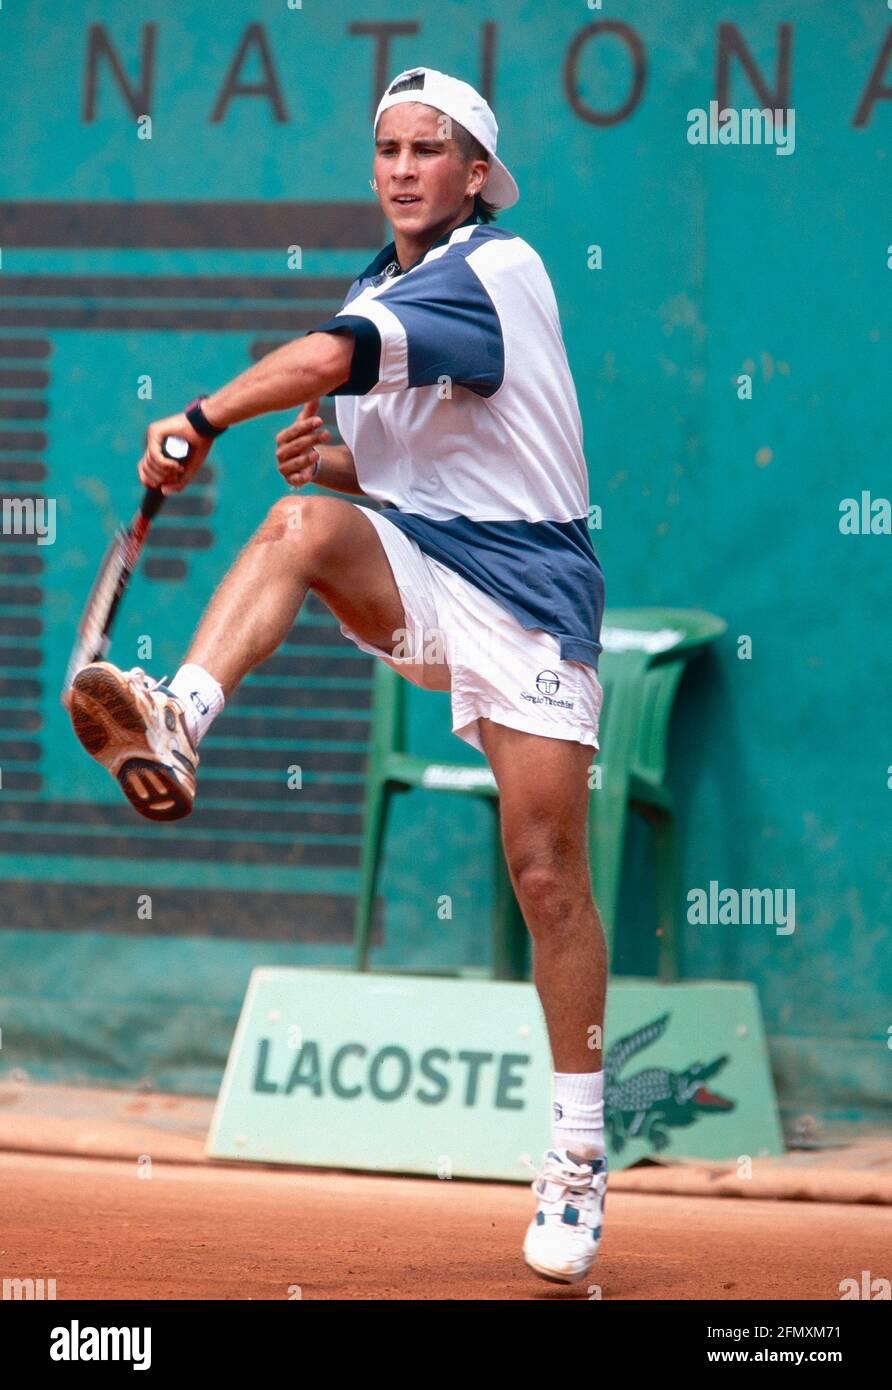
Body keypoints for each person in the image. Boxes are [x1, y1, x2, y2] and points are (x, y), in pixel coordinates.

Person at [67, 66, 609, 1286]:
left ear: (475, 173)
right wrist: (344, 467)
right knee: (302, 519)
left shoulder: (495, 269)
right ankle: (179, 715)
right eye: (387, 148)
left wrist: (201, 417)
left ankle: (577, 1154)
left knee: (546, 873)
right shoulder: (380, 285)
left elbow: (334, 358)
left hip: (528, 606)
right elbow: (395, 470)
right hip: (424, 584)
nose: (404, 167)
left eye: (430, 149)